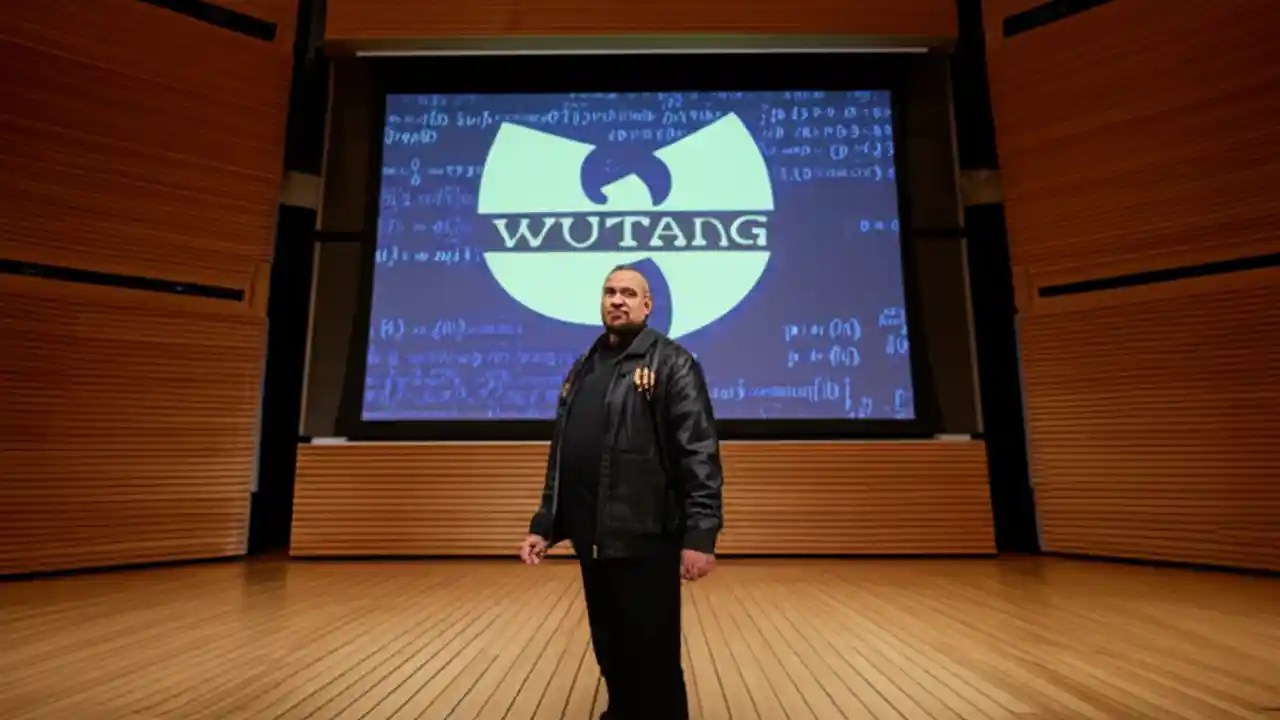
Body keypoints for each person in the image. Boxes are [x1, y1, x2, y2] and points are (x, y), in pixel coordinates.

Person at [519, 265, 724, 720]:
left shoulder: (672, 363)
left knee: (653, 658)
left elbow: (699, 452)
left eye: (629, 293)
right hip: (594, 541)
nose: (617, 300)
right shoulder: (585, 367)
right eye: (610, 291)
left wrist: (700, 535)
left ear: (647, 306)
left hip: (646, 538)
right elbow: (564, 455)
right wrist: (545, 526)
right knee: (612, 651)